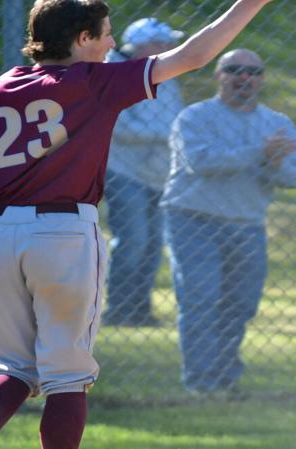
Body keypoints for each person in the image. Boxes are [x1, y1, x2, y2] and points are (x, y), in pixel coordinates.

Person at [0, 0, 277, 449]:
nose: (111, 44)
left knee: (11, 365)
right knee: (67, 373)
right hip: (61, 234)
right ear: (81, 39)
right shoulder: (92, 82)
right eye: (105, 34)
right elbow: (196, 54)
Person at [162, 48, 296, 395]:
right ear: (219, 75)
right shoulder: (194, 117)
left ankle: (225, 378)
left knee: (240, 304)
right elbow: (200, 162)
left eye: (253, 71)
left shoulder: (278, 123)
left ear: (262, 78)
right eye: (234, 70)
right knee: (201, 299)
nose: (244, 77)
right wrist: (260, 153)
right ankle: (202, 384)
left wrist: (271, 164)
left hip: (247, 224)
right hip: (193, 220)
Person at [102, 16, 187, 327]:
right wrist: (166, 134)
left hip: (159, 174)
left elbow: (175, 119)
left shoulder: (165, 73)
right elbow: (117, 126)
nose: (169, 48)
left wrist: (170, 134)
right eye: (162, 43)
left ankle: (140, 310)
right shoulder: (113, 71)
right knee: (133, 240)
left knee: (152, 244)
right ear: (142, 46)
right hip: (124, 172)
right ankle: (119, 310)